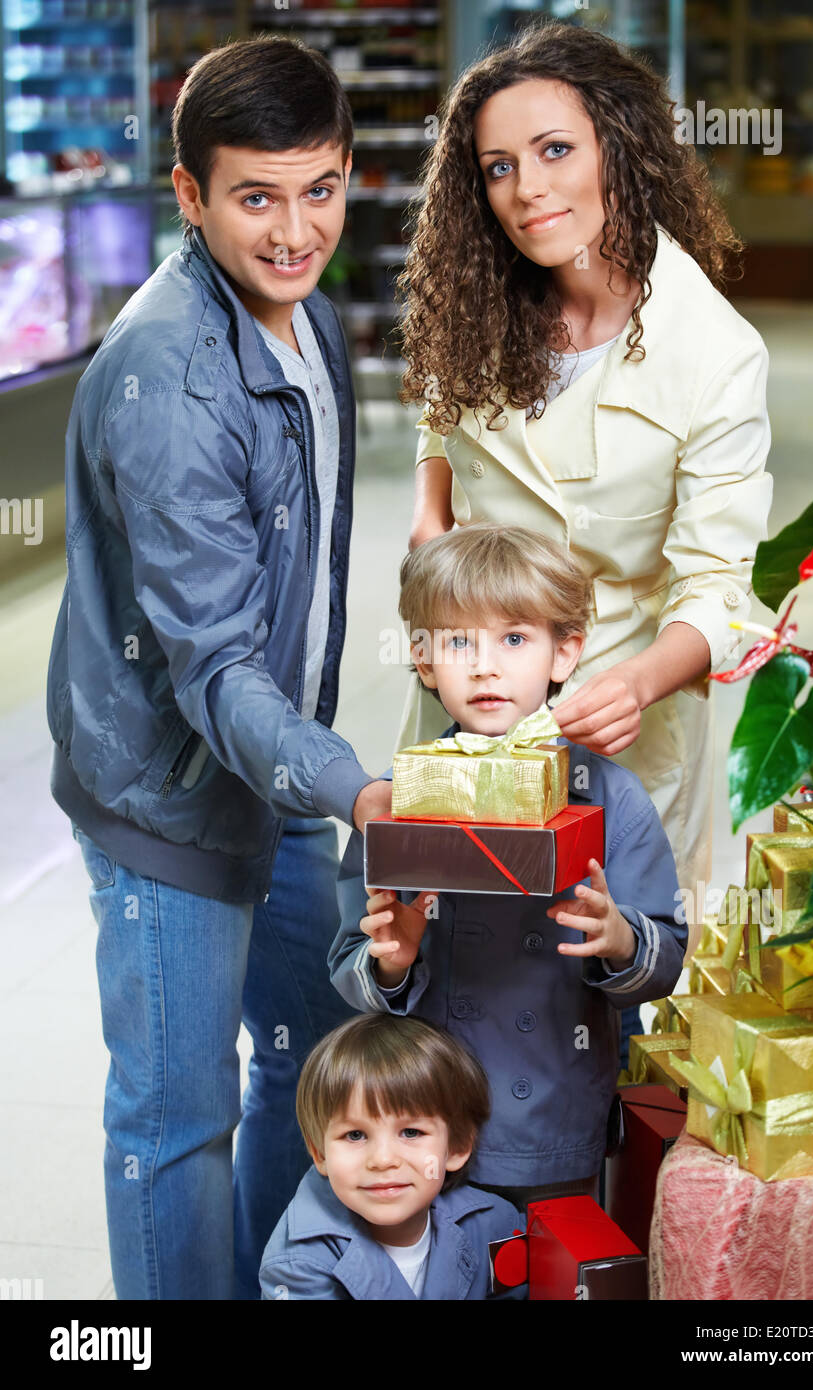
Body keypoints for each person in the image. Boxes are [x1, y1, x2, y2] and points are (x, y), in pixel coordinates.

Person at [45, 35, 392, 1300]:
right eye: (256, 195)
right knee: (172, 1126)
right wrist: (356, 787)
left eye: (320, 188)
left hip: (275, 769)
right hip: (170, 805)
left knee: (316, 1065)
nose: (295, 230)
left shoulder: (307, 321)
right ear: (188, 195)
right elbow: (214, 659)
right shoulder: (172, 371)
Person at [397, 20, 774, 1009]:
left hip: (621, 715)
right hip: (470, 695)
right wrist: (432, 507)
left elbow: (719, 588)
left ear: (619, 145)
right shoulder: (477, 297)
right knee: (455, 983)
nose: (527, 191)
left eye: (555, 151)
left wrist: (640, 681)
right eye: (497, 167)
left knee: (607, 991)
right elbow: (441, 408)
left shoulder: (711, 354)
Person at [329, 525, 687, 1207]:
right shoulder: (396, 799)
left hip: (555, 1116)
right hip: (422, 1125)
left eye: (515, 639)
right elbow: (349, 957)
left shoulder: (612, 796)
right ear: (425, 661)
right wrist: (393, 960)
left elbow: (666, 955)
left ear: (566, 652)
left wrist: (618, 936)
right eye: (458, 641)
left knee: (551, 1265)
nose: (485, 665)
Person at [259, 1013, 523, 1299]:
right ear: (319, 1153)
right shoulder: (297, 1266)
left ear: (457, 1146)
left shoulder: (495, 1226)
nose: (383, 1160)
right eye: (355, 1135)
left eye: (411, 1132)